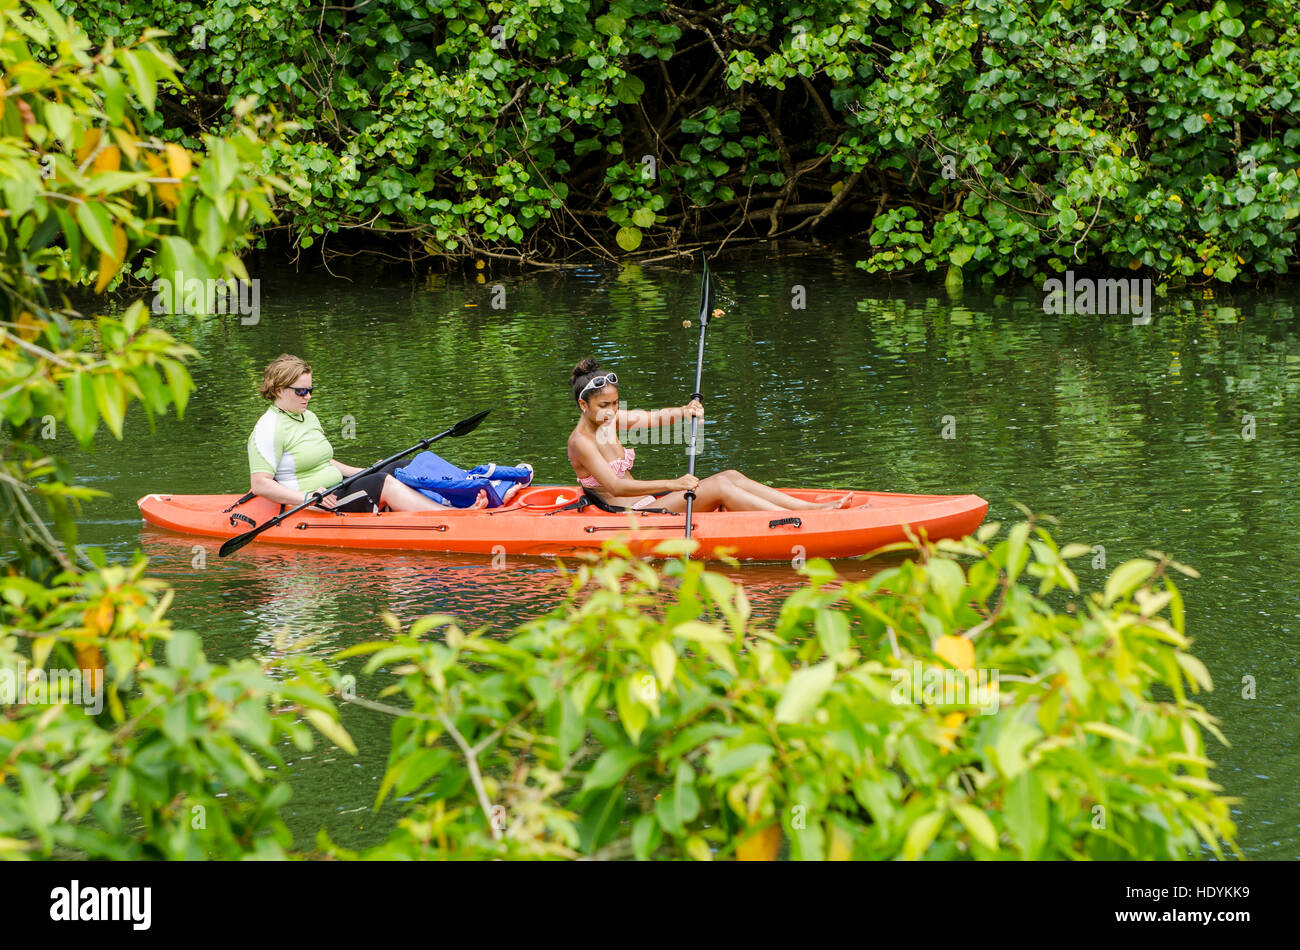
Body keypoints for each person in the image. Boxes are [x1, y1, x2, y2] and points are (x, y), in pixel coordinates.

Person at [565, 358, 854, 513]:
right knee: (719, 488)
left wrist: (685, 410)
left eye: (616, 403)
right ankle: (803, 520)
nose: (613, 410)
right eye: (605, 405)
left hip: (648, 502)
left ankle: (809, 509)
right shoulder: (581, 442)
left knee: (731, 475)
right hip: (630, 514)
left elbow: (653, 417)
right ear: (583, 404)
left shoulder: (609, 420)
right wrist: (674, 483)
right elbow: (615, 486)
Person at [247, 354, 516, 512]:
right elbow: (260, 484)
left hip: (337, 486)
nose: (308, 397)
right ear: (280, 390)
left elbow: (325, 461)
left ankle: (476, 489)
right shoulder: (268, 428)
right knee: (381, 483)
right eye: (301, 391)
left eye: (311, 390)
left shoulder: (306, 416)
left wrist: (366, 469)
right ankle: (453, 517)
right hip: (316, 501)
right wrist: (306, 497)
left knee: (399, 466)